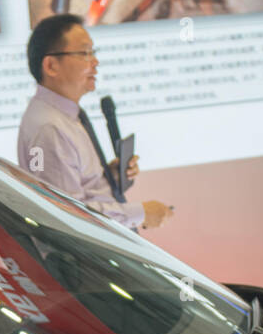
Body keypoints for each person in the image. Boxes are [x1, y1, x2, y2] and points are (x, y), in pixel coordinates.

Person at [17, 14, 172, 231]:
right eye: (84, 53)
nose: (95, 62)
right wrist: (140, 213)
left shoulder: (63, 115)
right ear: (51, 65)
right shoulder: (49, 128)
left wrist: (107, 177)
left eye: (93, 52)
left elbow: (73, 191)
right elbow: (67, 213)